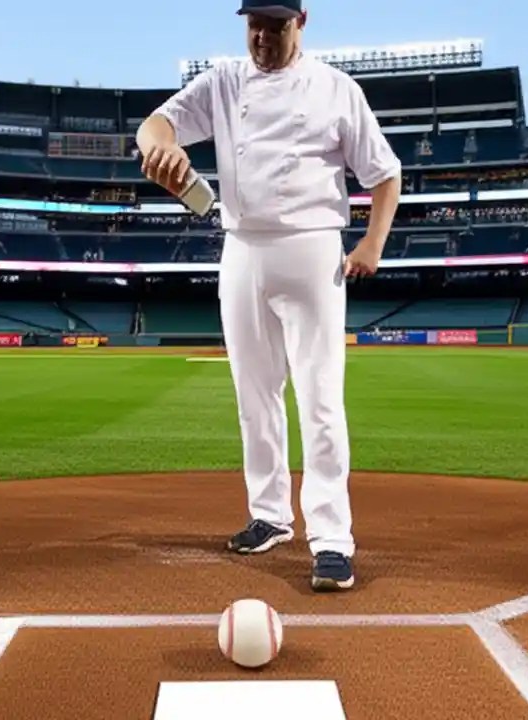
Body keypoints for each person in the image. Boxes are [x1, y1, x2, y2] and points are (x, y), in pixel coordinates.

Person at [136, 0, 402, 592]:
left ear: (301, 23)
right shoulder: (225, 82)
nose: (262, 36)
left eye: (275, 25)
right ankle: (270, 515)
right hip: (242, 248)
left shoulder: (336, 89)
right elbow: (155, 124)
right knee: (254, 396)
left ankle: (331, 538)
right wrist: (162, 148)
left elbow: (386, 175)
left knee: (320, 398)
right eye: (254, 24)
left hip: (312, 247)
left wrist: (372, 244)